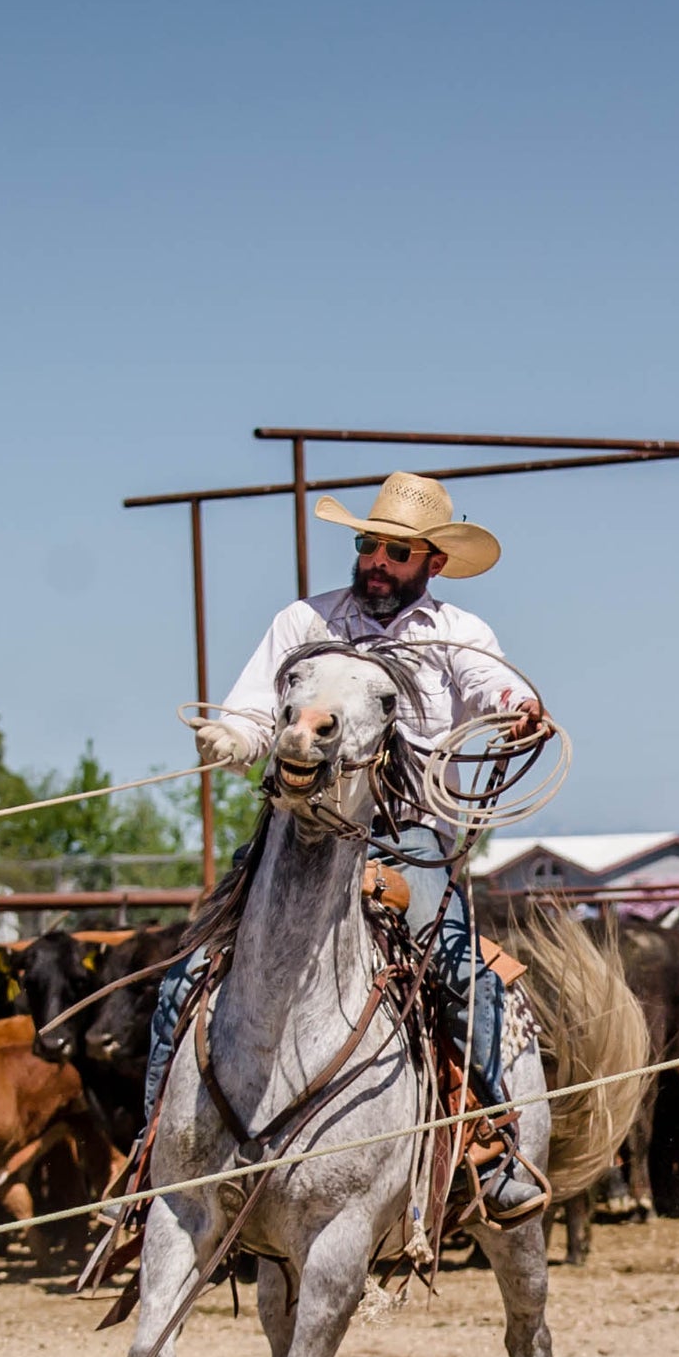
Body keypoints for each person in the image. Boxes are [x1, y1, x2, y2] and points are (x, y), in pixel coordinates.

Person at [153, 470, 555, 1223]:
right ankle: (154, 1159)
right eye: (370, 544)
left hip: (408, 838)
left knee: (459, 967)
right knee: (189, 971)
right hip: (295, 829)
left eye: (396, 553)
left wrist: (517, 710)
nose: (376, 561)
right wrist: (236, 736)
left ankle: (495, 1141)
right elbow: (251, 711)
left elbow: (493, 688)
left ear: (431, 562)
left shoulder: (457, 636)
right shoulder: (305, 621)